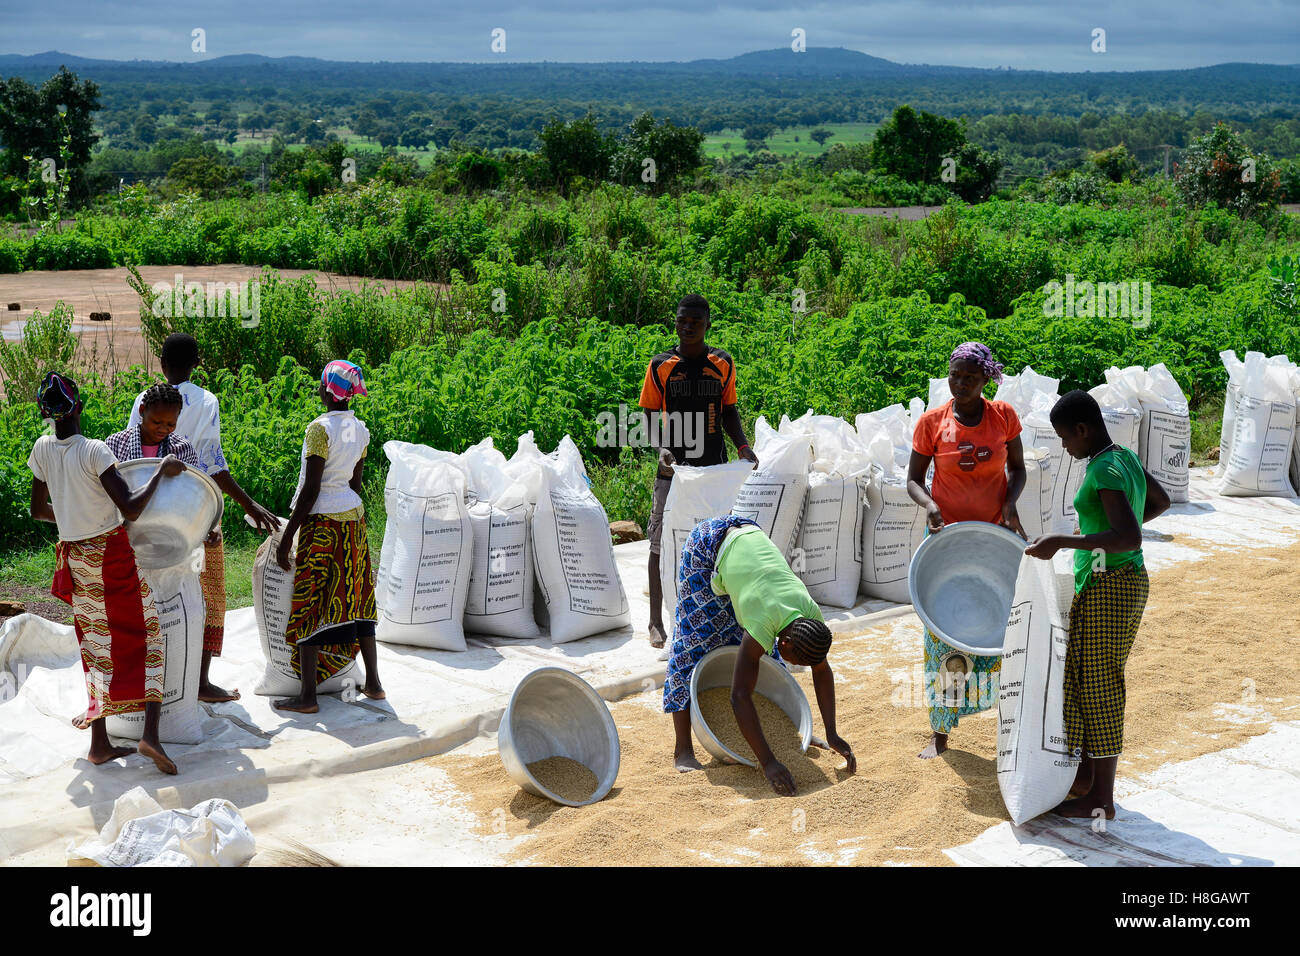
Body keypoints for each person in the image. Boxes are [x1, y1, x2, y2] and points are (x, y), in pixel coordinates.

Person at [27, 373, 183, 775]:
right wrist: (161, 470)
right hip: (110, 554)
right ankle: (150, 734)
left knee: (95, 645)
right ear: (78, 406)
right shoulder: (94, 451)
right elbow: (130, 508)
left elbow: (38, 511)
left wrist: (73, 516)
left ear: (47, 413)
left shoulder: (42, 449)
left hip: (74, 557)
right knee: (149, 637)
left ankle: (100, 743)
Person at [1026, 390, 1169, 820]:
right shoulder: (1122, 456)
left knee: (1101, 687)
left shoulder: (1105, 467)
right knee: (1088, 678)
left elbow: (1129, 537)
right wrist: (1097, 526)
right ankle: (1086, 778)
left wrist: (1064, 540)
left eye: (1065, 439)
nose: (1065, 448)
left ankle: (1101, 799)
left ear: (1083, 430)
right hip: (1123, 581)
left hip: (1110, 586)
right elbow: (1157, 502)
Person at [129, 333, 278, 703]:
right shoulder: (206, 400)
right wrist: (247, 503)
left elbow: (135, 455)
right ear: (196, 364)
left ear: (161, 363)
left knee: (155, 590)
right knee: (208, 593)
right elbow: (213, 465)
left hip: (149, 511)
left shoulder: (144, 400)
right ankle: (200, 682)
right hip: (196, 514)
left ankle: (154, 679)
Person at [663, 514, 856, 796]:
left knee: (767, 659)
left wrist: (832, 732)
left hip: (749, 544)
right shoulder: (764, 623)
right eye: (797, 660)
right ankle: (682, 749)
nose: (796, 665)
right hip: (707, 548)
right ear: (786, 641)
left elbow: (821, 669)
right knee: (693, 644)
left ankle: (792, 734)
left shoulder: (811, 615)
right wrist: (769, 763)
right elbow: (739, 696)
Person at [907, 342, 1028, 759]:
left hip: (992, 540)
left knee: (1001, 633)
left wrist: (1010, 504)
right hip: (946, 541)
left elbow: (1018, 468)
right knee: (943, 641)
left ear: (985, 380)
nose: (960, 384)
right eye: (954, 376)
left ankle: (1006, 722)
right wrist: (929, 505)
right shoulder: (932, 423)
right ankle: (940, 734)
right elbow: (914, 479)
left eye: (970, 379)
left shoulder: (1003, 418)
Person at [639, 294, 757, 653]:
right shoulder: (661, 365)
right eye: (681, 321)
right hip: (673, 471)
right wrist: (661, 448)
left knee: (718, 539)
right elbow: (646, 416)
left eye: (695, 322)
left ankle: (721, 612)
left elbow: (729, 412)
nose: (687, 327)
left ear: (707, 325)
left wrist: (742, 446)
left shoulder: (722, 363)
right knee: (661, 540)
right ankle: (656, 621)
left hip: (712, 469)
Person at [273, 360, 384, 714]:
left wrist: (289, 534)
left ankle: (307, 696)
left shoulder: (319, 430)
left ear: (327, 390)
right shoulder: (360, 430)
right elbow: (356, 483)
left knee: (311, 599)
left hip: (322, 525)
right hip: (353, 521)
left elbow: (311, 490)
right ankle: (374, 683)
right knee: (358, 595)